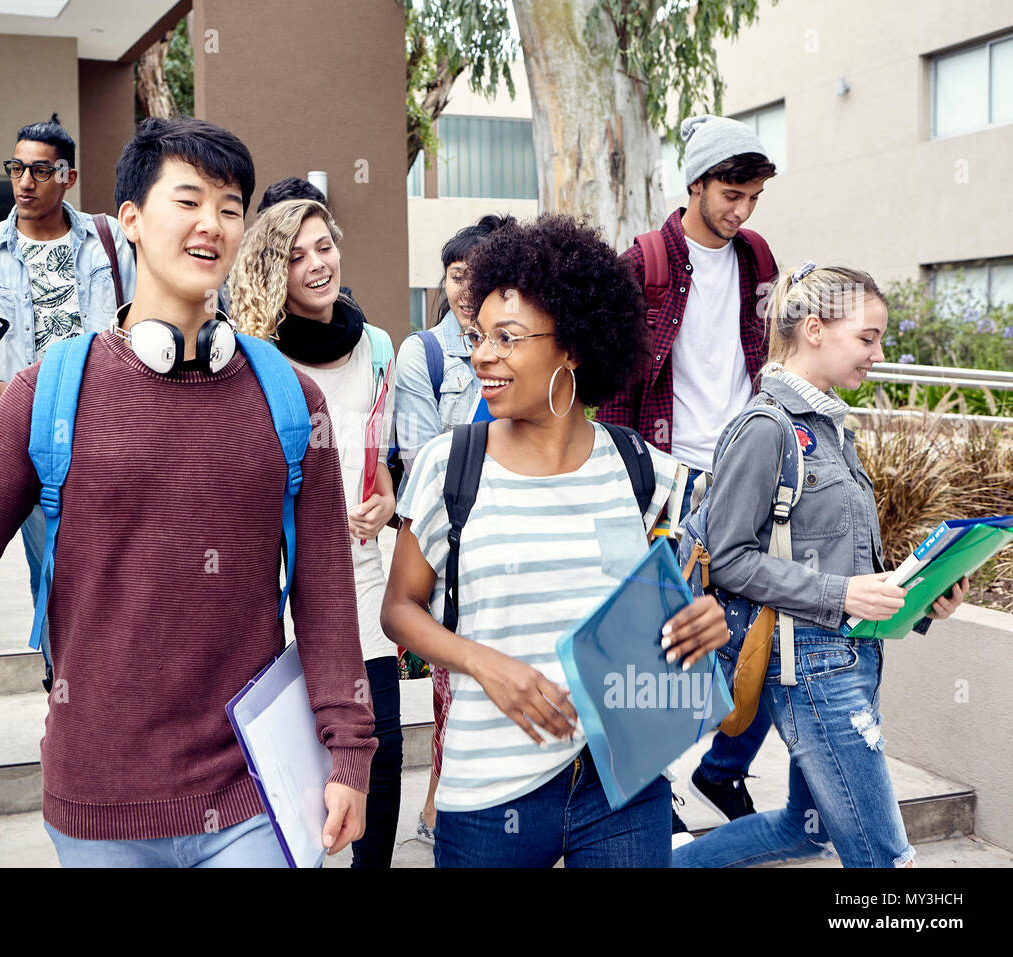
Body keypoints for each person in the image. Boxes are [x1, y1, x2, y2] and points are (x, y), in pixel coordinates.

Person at [0, 116, 376, 869]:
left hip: (252, 798)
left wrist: (348, 750)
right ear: (131, 220)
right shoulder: (50, 393)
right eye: (190, 201)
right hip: (96, 807)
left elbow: (326, 592)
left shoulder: (289, 398)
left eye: (231, 206)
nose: (213, 224)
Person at [381, 215, 729, 868]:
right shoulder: (446, 466)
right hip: (488, 793)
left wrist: (702, 620)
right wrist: (486, 664)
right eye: (479, 335)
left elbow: (678, 598)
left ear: (571, 345)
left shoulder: (641, 470)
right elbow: (399, 607)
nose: (482, 353)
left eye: (507, 338)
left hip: (621, 783)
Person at [673, 263, 969, 868]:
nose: (879, 354)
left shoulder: (829, 427)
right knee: (886, 862)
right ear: (813, 329)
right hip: (813, 675)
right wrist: (842, 596)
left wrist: (922, 597)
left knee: (802, 829)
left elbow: (846, 562)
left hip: (847, 660)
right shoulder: (766, 429)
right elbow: (728, 559)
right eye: (867, 337)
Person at [597, 114, 779, 825]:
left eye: (754, 196)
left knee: (768, 623)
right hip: (667, 470)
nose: (741, 209)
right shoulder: (644, 262)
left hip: (745, 466)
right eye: (731, 192)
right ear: (696, 182)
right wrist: (623, 482)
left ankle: (724, 768)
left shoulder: (757, 258)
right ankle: (652, 786)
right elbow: (611, 387)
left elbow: (764, 353)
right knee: (661, 636)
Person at [228, 198, 401, 869]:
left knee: (379, 753)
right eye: (296, 255)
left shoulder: (374, 346)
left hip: (357, 575)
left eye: (323, 246)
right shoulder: (251, 359)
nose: (317, 263)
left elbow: (377, 461)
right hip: (268, 587)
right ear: (274, 270)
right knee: (288, 773)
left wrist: (385, 499)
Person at [0, 113, 135, 686]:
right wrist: (7, 391)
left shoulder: (109, 243)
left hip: (109, 428)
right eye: (16, 168)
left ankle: (116, 679)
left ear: (69, 176)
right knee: (52, 566)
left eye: (39, 170)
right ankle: (67, 687)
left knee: (117, 566)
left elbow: (139, 316)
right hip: (31, 435)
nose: (25, 181)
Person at [392, 213, 513, 845]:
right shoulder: (428, 354)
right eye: (457, 275)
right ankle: (446, 810)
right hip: (457, 542)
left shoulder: (528, 346)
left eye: (482, 276)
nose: (467, 290)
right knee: (454, 688)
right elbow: (421, 468)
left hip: (520, 536)